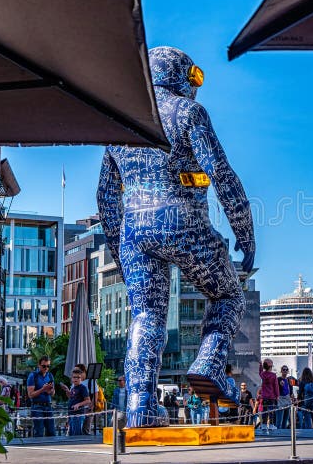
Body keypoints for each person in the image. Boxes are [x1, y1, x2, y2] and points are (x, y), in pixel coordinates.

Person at [96, 46, 255, 427]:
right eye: (194, 78)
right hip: (182, 219)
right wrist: (244, 231)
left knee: (146, 314)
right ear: (182, 77)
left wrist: (121, 251)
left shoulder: (120, 125)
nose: (196, 87)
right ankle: (209, 364)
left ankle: (140, 406)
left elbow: (105, 198)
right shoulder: (188, 112)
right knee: (229, 294)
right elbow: (221, 173)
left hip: (135, 231)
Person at [27, 355, 56, 437]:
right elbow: (30, 395)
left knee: (51, 432)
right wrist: (43, 389)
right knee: (39, 432)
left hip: (48, 406)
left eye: (48, 366)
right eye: (44, 366)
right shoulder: (33, 376)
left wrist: (50, 391)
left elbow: (53, 393)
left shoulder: (50, 375)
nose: (46, 368)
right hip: (37, 407)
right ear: (39, 365)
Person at [67, 370, 91, 436]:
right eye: (74, 377)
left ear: (81, 378)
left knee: (76, 435)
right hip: (71, 414)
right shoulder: (73, 388)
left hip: (78, 414)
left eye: (78, 377)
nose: (76, 379)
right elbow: (71, 400)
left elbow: (88, 400)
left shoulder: (83, 388)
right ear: (71, 378)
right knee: (71, 435)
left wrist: (78, 404)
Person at [258, 358, 279, 430]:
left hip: (264, 397)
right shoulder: (273, 375)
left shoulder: (263, 374)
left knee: (264, 411)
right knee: (271, 411)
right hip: (271, 397)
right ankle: (271, 425)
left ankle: (263, 425)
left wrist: (260, 365)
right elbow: (276, 386)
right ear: (270, 367)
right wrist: (277, 395)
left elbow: (260, 372)